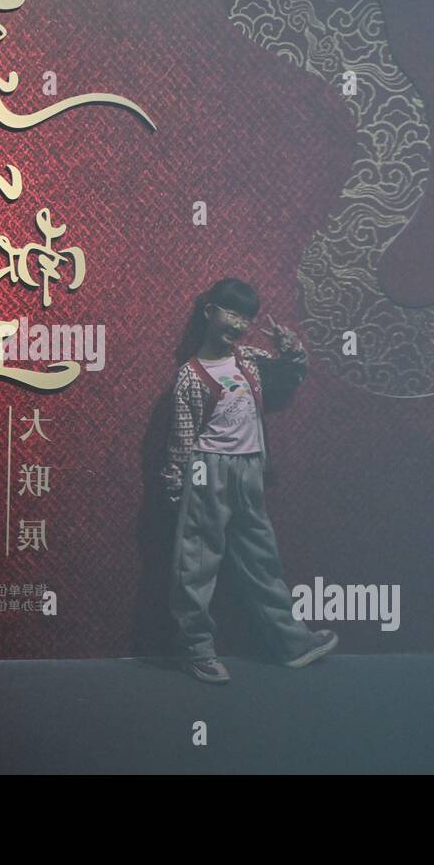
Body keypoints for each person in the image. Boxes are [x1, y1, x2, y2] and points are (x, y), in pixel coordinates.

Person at [160, 277, 338, 683]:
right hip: (207, 470)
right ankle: (196, 649)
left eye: (248, 317)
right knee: (197, 565)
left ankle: (292, 644)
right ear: (210, 312)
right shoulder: (189, 376)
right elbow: (181, 440)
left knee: (262, 560)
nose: (239, 324)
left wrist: (290, 346)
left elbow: (293, 376)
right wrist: (176, 491)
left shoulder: (250, 360)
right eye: (232, 312)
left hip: (250, 469)